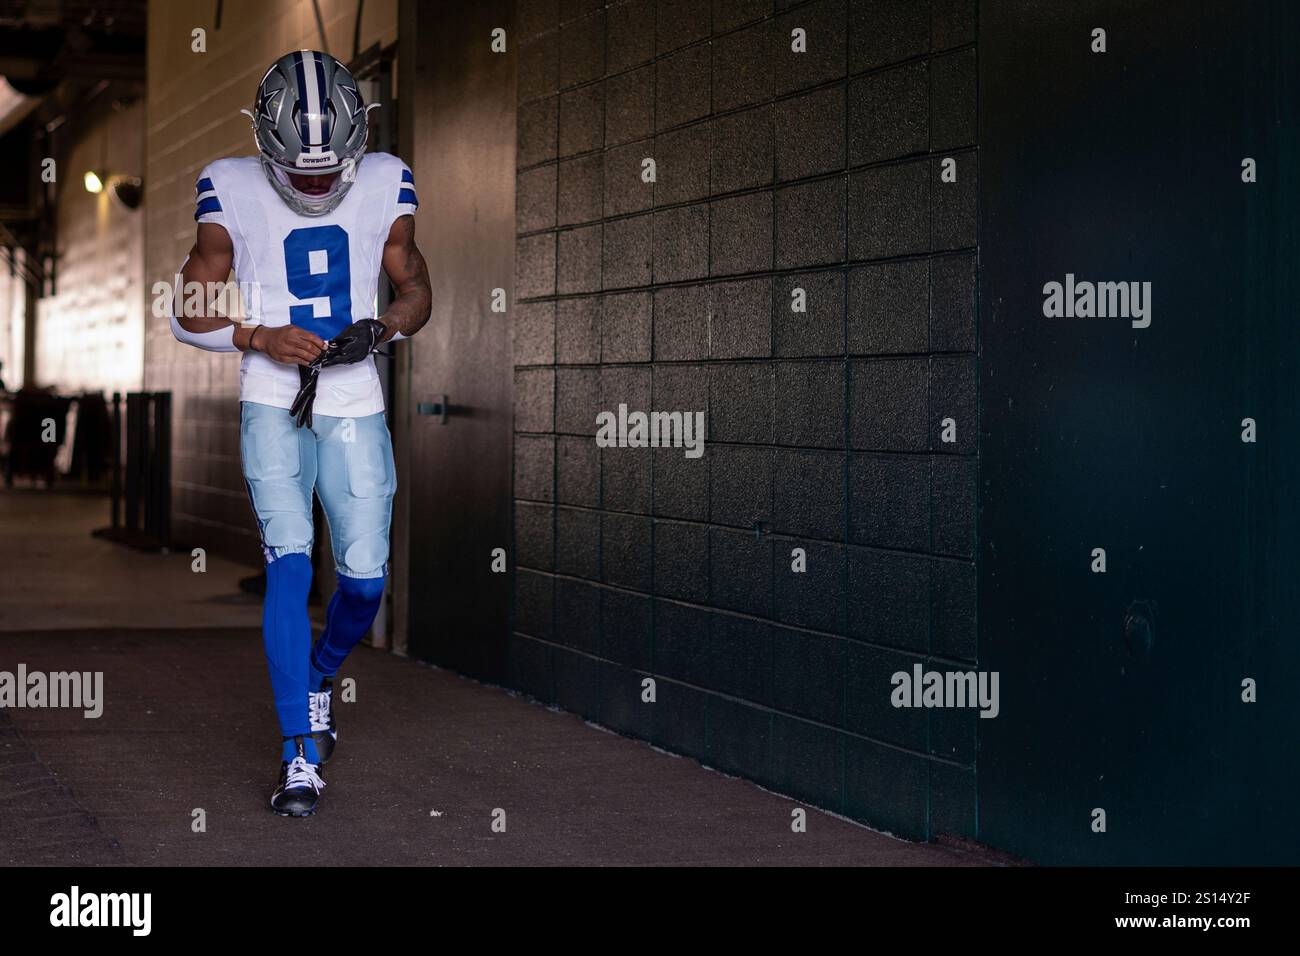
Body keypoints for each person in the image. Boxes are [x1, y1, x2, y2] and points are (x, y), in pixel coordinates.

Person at [170, 50, 431, 817]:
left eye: (330, 173)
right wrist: (257, 337)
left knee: (365, 584)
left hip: (355, 402)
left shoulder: (386, 178)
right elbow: (188, 309)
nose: (317, 186)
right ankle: (297, 753)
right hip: (272, 403)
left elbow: (415, 289)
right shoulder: (228, 184)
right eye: (301, 173)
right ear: (265, 144)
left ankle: (319, 677)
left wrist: (380, 329)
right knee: (288, 565)